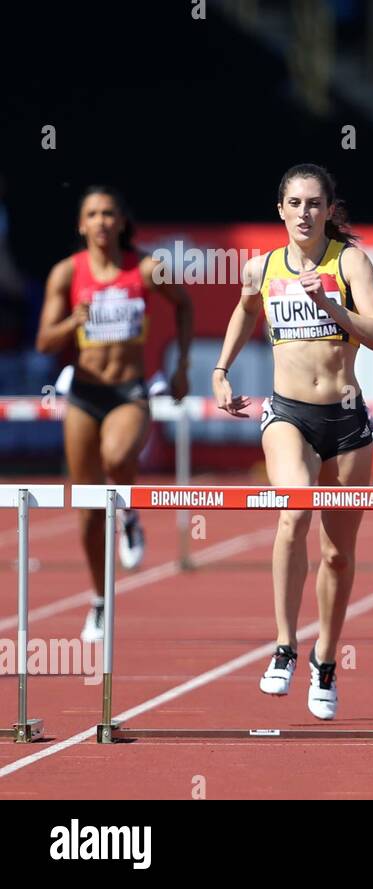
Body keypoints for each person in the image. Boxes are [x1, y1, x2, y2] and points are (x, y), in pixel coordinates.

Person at [213, 164, 373, 719]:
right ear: (281, 210)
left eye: (314, 204)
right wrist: (222, 370)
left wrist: (333, 307)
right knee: (294, 512)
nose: (304, 213)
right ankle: (285, 647)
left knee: (337, 553)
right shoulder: (262, 268)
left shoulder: (350, 262)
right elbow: (245, 313)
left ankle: (326, 659)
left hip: (346, 419)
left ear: (328, 210)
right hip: (287, 413)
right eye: (294, 203)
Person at [35, 185, 193, 643]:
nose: (102, 221)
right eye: (93, 214)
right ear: (81, 224)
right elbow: (45, 341)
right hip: (85, 392)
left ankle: (127, 515)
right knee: (85, 507)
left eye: (110, 213)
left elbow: (184, 305)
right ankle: (100, 600)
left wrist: (180, 366)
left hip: (129, 390)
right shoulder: (67, 273)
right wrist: (73, 321)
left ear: (122, 222)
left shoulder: (145, 268)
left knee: (119, 456)